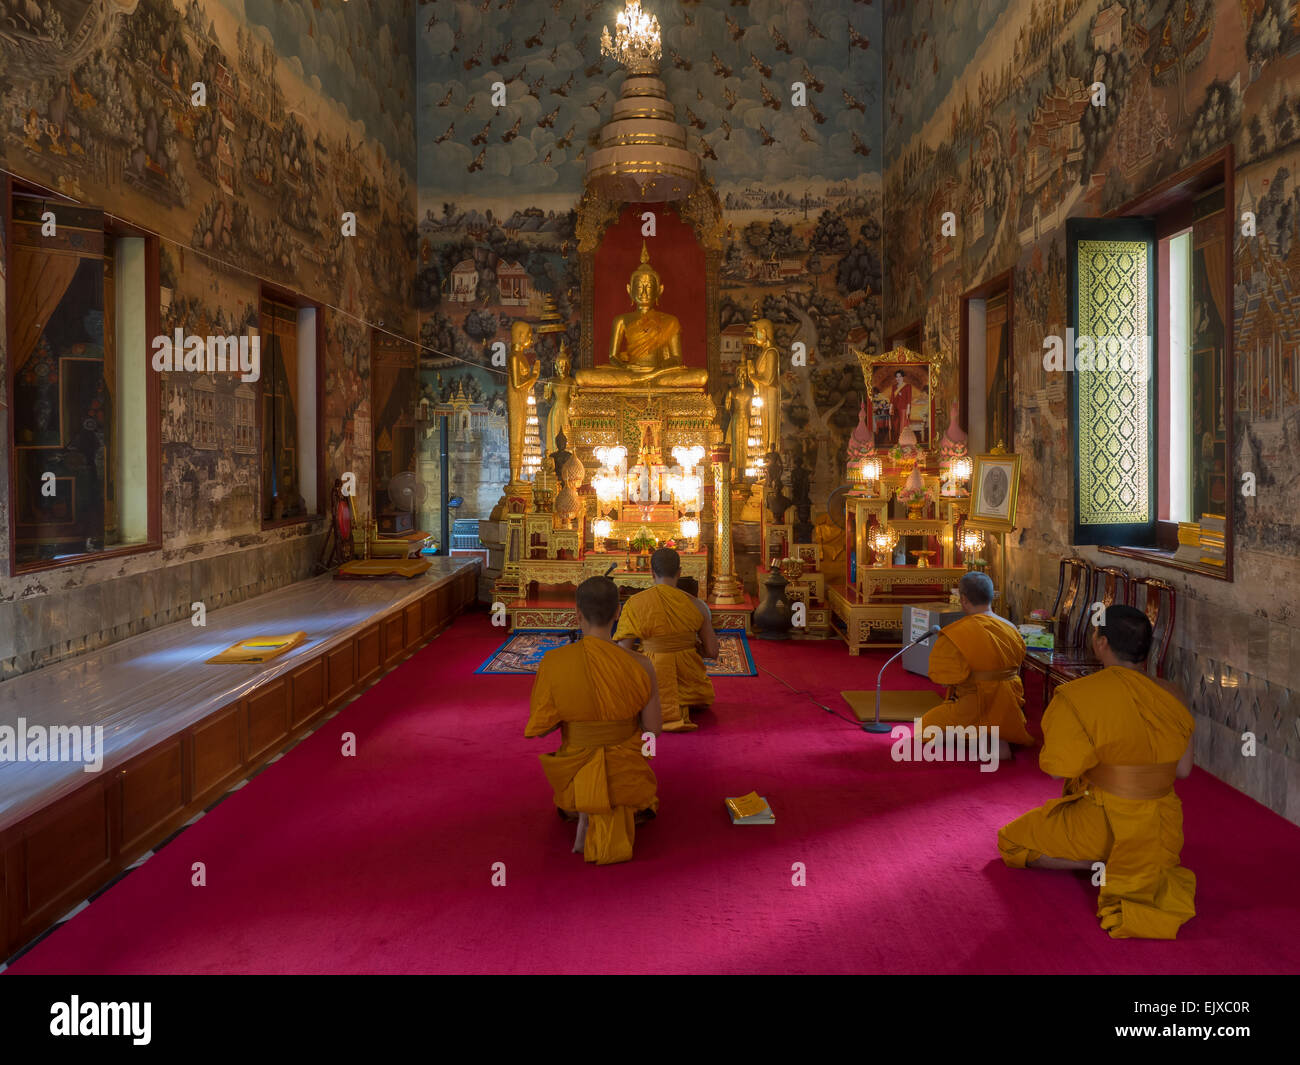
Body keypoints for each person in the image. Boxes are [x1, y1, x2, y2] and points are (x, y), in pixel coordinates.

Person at [997, 605, 1197, 939]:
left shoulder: (1081, 695)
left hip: (1104, 822)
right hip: (1163, 829)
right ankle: (1122, 862)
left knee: (1012, 842)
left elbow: (1057, 768)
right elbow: (1184, 770)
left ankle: (1099, 861)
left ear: (1101, 642)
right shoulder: (1172, 693)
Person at [525, 577, 662, 865]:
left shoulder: (553, 662)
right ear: (618, 613)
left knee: (582, 774)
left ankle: (586, 804)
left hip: (575, 784)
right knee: (632, 780)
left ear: (577, 614)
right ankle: (612, 801)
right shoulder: (642, 664)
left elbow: (541, 729)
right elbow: (653, 729)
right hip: (628, 780)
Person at [922, 571, 1033, 760]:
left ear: (963, 599)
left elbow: (944, 679)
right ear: (992, 597)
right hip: (1010, 706)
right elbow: (1018, 666)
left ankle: (982, 737)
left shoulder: (957, 633)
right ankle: (999, 733)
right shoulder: (1011, 628)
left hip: (975, 706)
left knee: (925, 727)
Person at [615, 548, 719, 732]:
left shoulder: (635, 604)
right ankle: (683, 701)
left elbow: (623, 652)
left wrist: (648, 649)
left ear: (651, 572)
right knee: (699, 694)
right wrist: (690, 646)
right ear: (679, 572)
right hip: (692, 690)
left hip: (650, 684)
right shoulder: (698, 605)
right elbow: (712, 651)